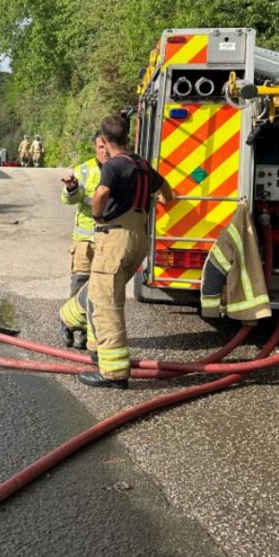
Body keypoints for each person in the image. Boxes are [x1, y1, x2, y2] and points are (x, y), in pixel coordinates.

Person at [61, 115, 176, 389]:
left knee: (106, 304)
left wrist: (99, 217)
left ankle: (112, 373)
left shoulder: (113, 165)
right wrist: (159, 201)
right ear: (128, 136)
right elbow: (167, 192)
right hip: (139, 238)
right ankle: (68, 317)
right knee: (98, 288)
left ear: (105, 138)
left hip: (116, 238)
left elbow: (100, 194)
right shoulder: (142, 164)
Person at [58, 131, 109, 349]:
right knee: (78, 284)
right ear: (94, 148)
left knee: (99, 290)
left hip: (109, 240)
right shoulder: (84, 170)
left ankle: (87, 332)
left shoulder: (120, 169)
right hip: (85, 241)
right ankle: (68, 325)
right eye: (100, 146)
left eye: (107, 146)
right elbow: (67, 199)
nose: (104, 151)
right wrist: (71, 188)